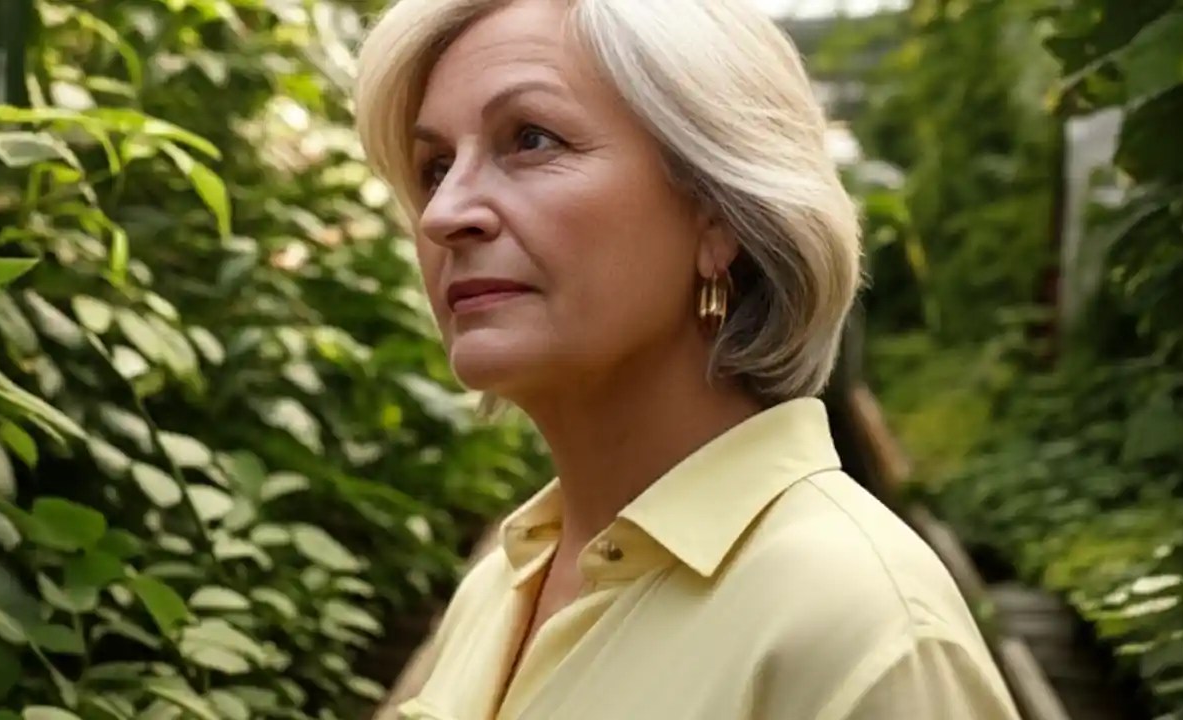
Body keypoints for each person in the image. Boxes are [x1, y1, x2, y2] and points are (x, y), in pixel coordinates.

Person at [353, 0, 1022, 718]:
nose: (444, 213)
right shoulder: (500, 586)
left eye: (532, 139)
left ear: (718, 213)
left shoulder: (861, 630)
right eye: (434, 166)